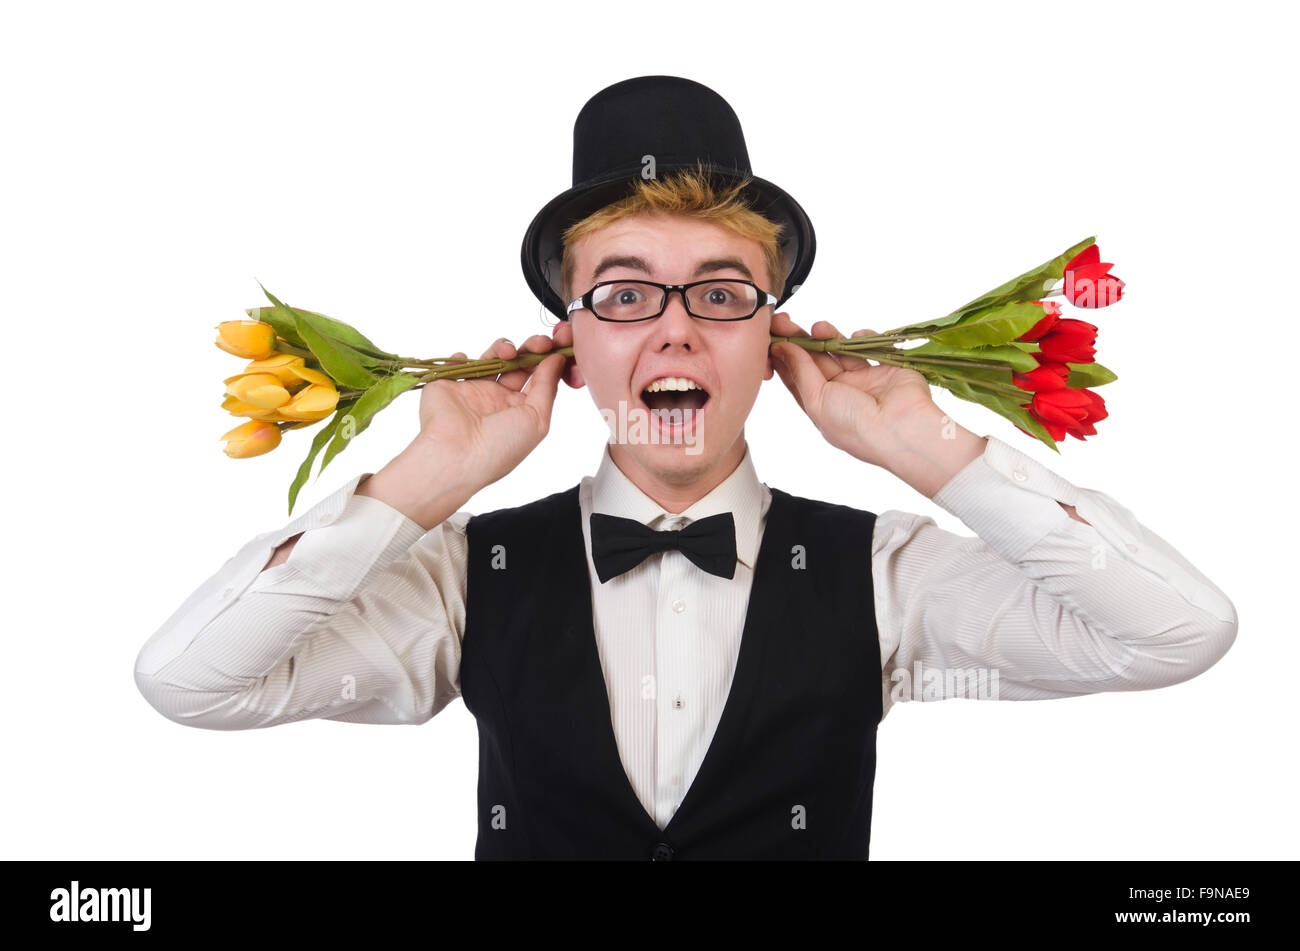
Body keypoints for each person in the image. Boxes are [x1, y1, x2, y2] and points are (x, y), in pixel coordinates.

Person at [134, 76, 1238, 860]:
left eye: (719, 294)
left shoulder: (883, 573)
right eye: (623, 293)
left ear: (773, 345)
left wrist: (928, 451)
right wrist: (428, 480)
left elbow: (1176, 633)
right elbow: (190, 682)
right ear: (574, 346)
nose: (672, 332)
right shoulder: (467, 573)